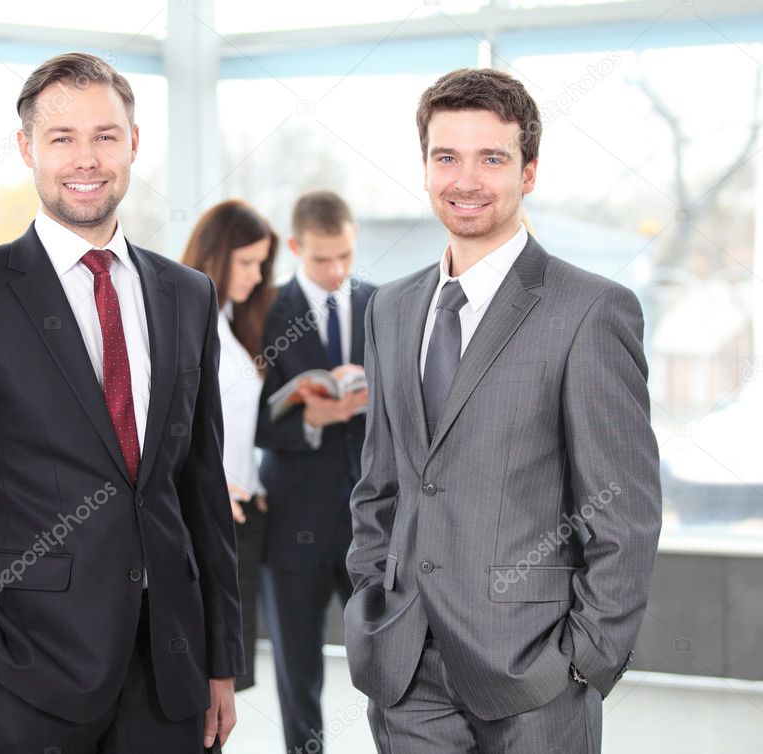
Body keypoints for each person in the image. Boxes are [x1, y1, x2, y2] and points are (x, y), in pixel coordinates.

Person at [0, 52, 242, 753]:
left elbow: (201, 488)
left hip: (170, 679)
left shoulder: (188, 294)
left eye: (105, 136)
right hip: (26, 680)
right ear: (27, 149)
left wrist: (219, 661)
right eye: (62, 138)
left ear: (133, 144)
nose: (86, 159)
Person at [344, 68, 662, 753]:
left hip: (535, 677)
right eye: (446, 157)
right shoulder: (391, 308)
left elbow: (623, 510)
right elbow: (382, 484)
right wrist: (372, 598)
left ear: (529, 171)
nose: (467, 180)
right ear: (424, 167)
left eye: (491, 158)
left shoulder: (588, 311)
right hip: (404, 671)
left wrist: (583, 662)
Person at [254, 191, 376, 754]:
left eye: (346, 256)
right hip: (292, 518)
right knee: (297, 668)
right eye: (324, 258)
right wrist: (310, 420)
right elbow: (241, 418)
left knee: (388, 660)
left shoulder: (383, 305)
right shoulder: (264, 312)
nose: (337, 271)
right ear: (298, 247)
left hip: (374, 520)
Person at [181, 199, 277, 693]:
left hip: (241, 513)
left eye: (261, 263)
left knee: (228, 681)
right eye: (246, 262)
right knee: (209, 681)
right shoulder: (184, 318)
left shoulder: (232, 321)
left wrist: (252, 481)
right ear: (215, 255)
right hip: (209, 516)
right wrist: (215, 485)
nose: (256, 275)